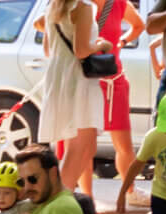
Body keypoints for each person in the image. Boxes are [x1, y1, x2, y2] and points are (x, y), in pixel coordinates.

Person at [36, 0, 111, 191]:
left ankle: (59, 201)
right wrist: (101, 45)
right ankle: (56, 206)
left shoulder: (53, 6)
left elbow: (47, 50)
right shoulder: (83, 6)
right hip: (78, 81)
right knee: (79, 150)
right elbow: (81, 50)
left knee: (84, 147)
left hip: (60, 78)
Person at [88, 0, 149, 202]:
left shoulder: (119, 3)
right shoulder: (80, 4)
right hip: (88, 81)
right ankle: (85, 198)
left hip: (114, 80)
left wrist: (121, 41)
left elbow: (139, 25)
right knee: (84, 145)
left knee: (124, 143)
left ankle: (130, 191)